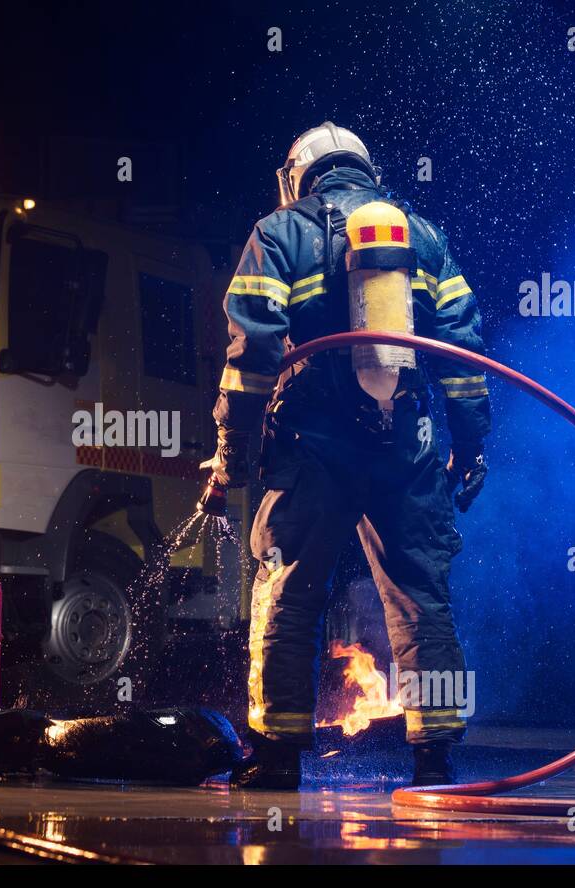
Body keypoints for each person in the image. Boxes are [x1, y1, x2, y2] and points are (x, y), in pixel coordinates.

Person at [203, 123, 491, 789]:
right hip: (407, 445)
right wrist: (469, 449)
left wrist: (228, 454)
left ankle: (275, 758)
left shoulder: (279, 233)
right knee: (422, 594)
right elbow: (463, 356)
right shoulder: (423, 236)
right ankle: (435, 756)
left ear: (299, 174)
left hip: (312, 443)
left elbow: (251, 356)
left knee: (288, 589)